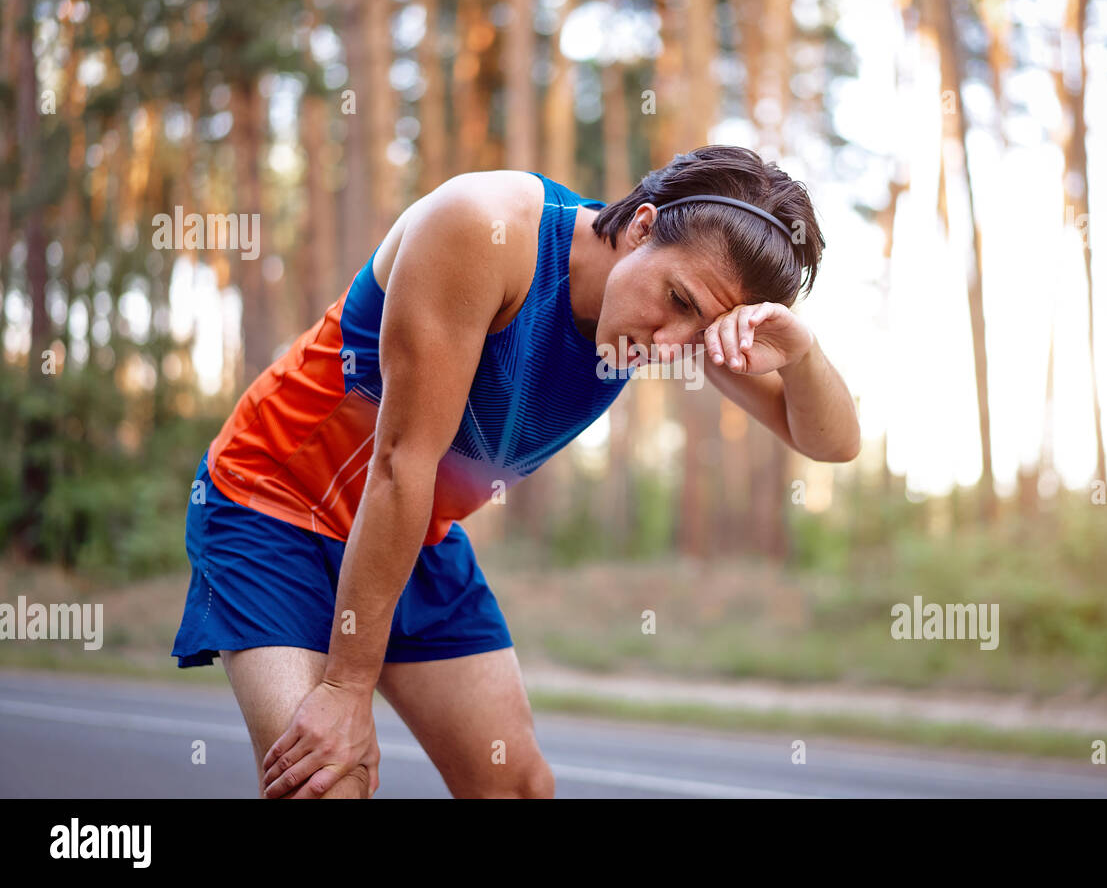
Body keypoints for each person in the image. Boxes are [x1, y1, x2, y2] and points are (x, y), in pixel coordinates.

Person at [170, 144, 860, 798]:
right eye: (678, 303)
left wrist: (801, 355)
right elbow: (401, 463)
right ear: (643, 226)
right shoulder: (484, 229)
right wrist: (347, 690)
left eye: (702, 330)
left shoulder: (680, 305)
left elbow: (830, 442)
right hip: (276, 505)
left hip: (408, 536)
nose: (672, 346)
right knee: (328, 779)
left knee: (517, 786)